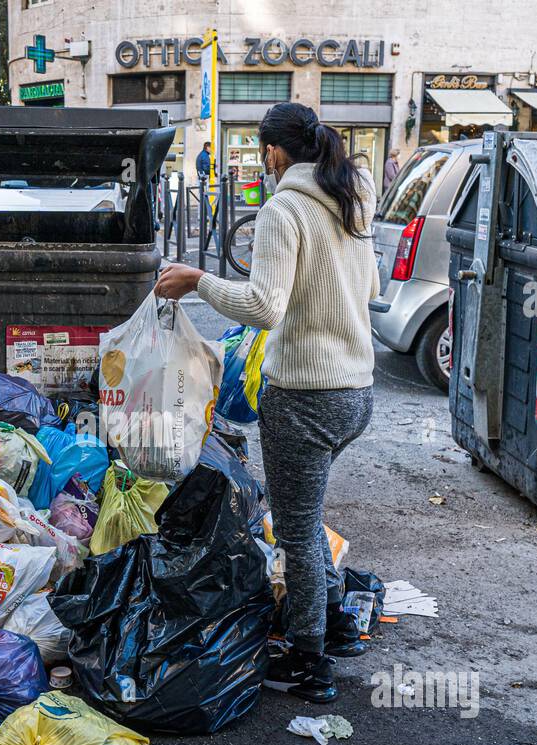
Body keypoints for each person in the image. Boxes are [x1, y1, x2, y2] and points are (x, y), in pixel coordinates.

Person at [154, 102, 378, 704]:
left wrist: (196, 280)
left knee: (298, 533)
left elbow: (263, 307)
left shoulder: (285, 209)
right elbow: (372, 288)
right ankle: (334, 621)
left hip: (304, 396)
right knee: (307, 516)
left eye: (262, 152)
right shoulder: (353, 197)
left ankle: (312, 665)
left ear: (274, 153)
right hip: (356, 393)